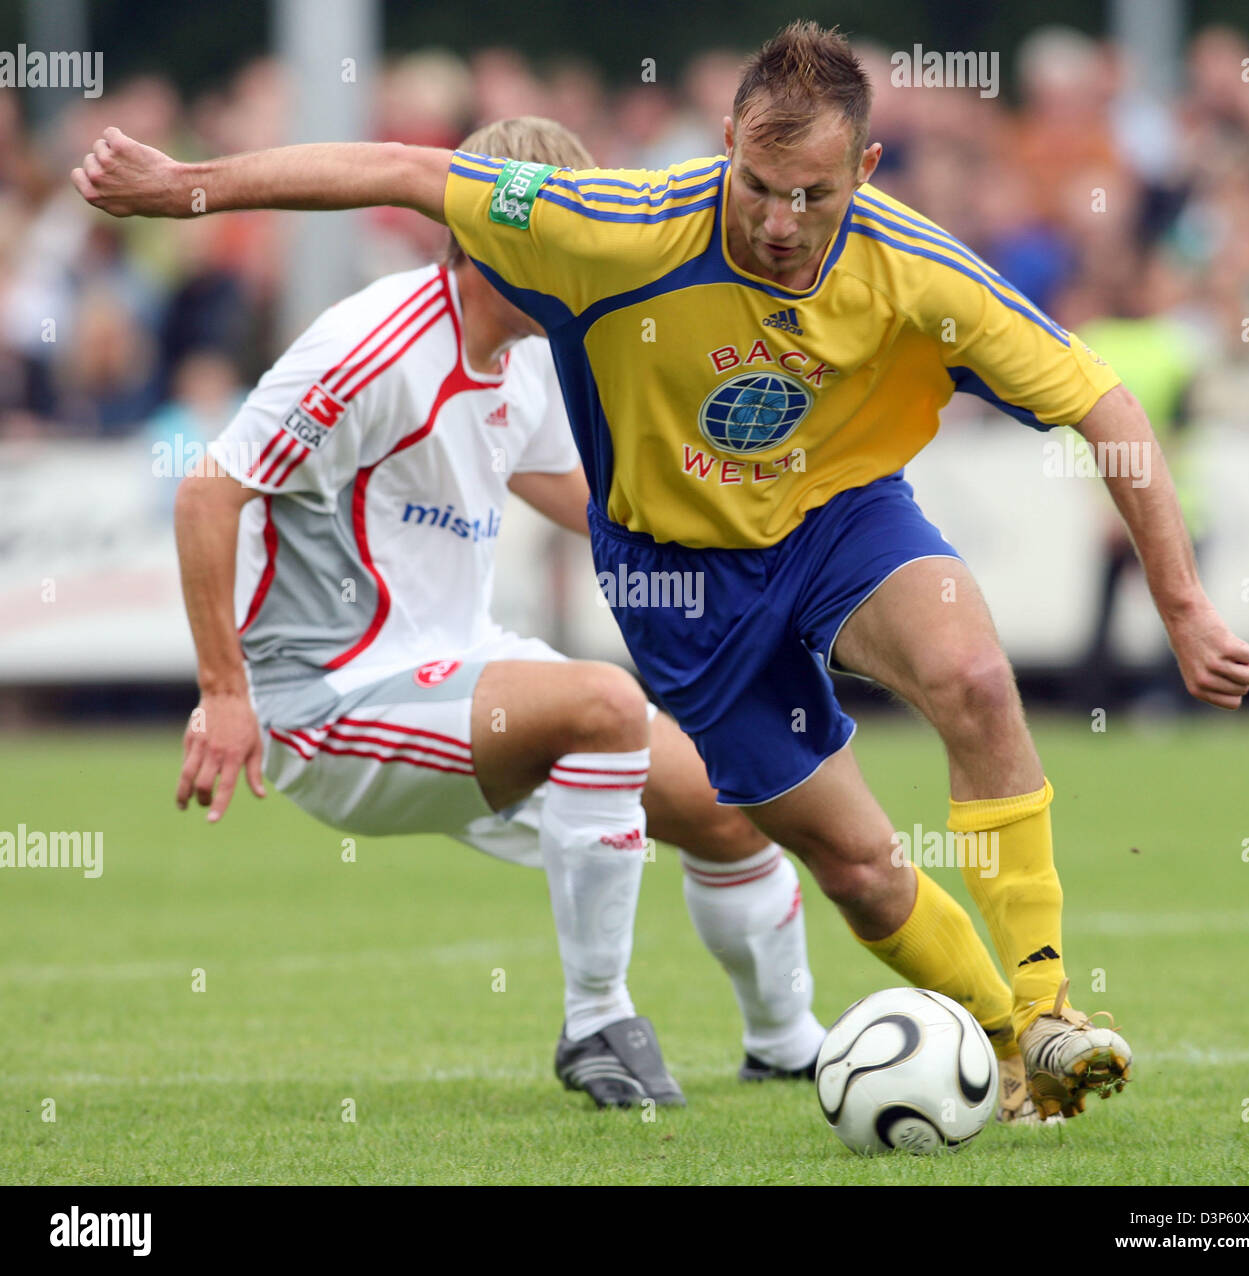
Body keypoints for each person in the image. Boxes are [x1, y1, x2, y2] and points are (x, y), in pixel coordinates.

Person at [71, 22, 1249, 1121]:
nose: (784, 222)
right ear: (722, 146)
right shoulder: (604, 220)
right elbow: (397, 165)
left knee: (974, 675)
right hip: (678, 592)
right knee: (852, 863)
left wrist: (1182, 602)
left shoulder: (914, 266)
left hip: (840, 516)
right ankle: (999, 1041)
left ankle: (1042, 1012)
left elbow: (1100, 398)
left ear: (869, 166)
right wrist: (185, 188)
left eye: (816, 195)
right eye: (758, 184)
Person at [163, 117, 827, 1112]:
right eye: (562, 236)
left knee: (731, 800)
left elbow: (594, 502)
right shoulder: (373, 343)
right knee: (602, 703)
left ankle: (786, 1044)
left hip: (456, 674)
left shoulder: (532, 357)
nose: (583, 261)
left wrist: (759, 548)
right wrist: (225, 694)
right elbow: (208, 492)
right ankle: (596, 1019)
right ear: (491, 235)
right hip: (327, 699)